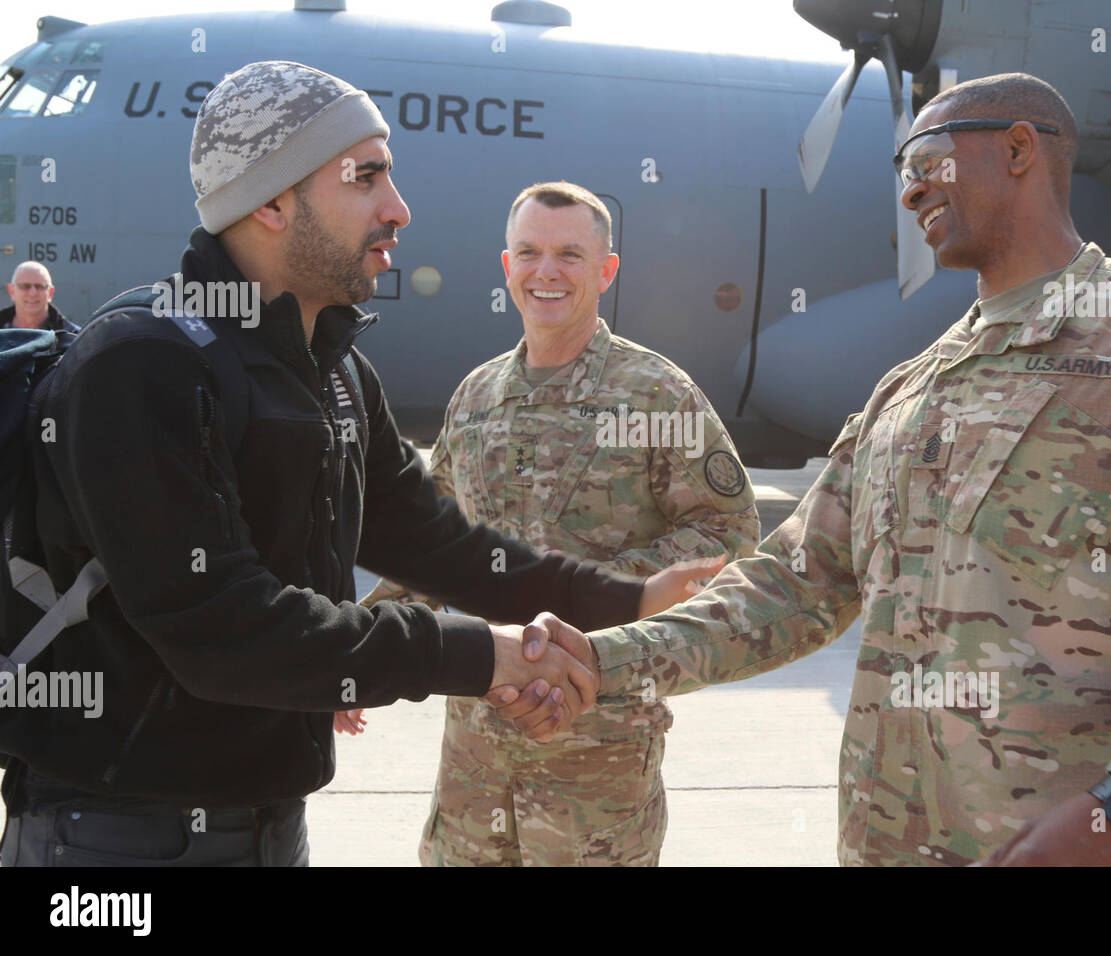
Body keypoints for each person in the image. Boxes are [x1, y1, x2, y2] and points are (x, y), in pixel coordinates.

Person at [493, 72, 1111, 867]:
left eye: (924, 163)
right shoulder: (910, 387)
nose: (909, 194)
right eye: (901, 175)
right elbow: (791, 583)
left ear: (1019, 149)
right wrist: (606, 660)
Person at [0, 61, 706, 867]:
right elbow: (222, 627)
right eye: (364, 178)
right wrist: (481, 655)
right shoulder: (140, 364)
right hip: (109, 839)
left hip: (271, 825)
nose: (397, 210)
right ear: (269, 200)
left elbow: (442, 548)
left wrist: (624, 599)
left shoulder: (332, 370)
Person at [347, 181, 760, 866]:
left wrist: (578, 600)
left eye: (570, 254)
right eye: (530, 252)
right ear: (506, 267)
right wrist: (358, 656)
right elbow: (430, 545)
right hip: (476, 759)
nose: (547, 272)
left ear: (606, 270)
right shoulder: (476, 398)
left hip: (597, 764)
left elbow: (728, 537)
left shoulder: (657, 394)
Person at [2, 262, 79, 333]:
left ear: (50, 293)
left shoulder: (72, 337)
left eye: (40, 286)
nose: (33, 293)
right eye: (25, 286)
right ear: (12, 291)